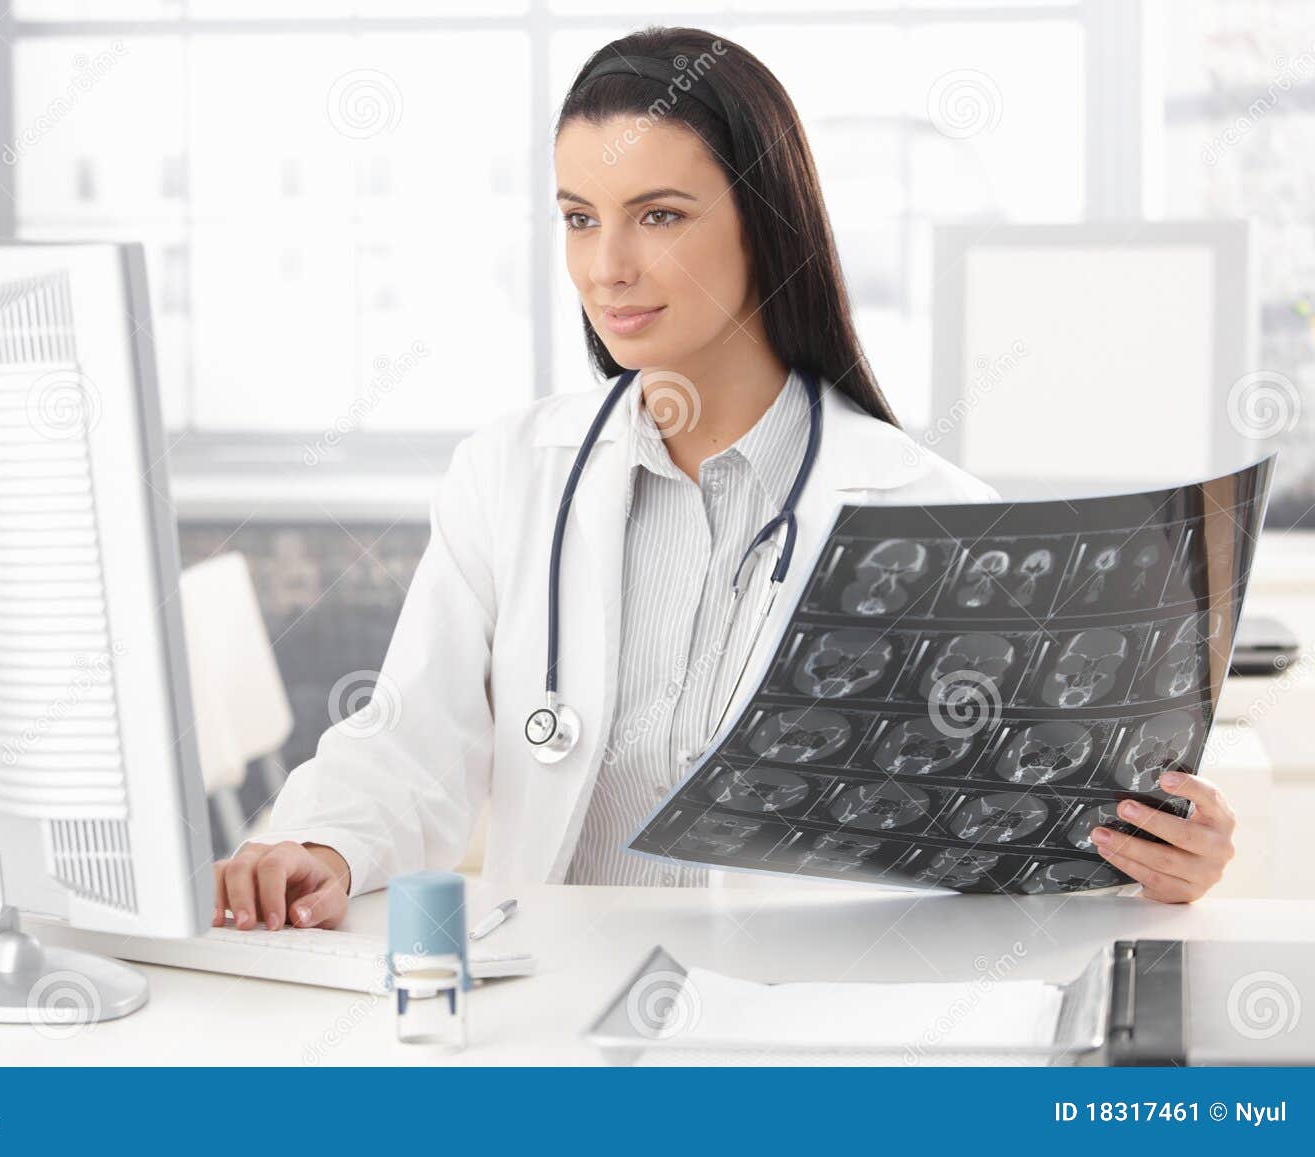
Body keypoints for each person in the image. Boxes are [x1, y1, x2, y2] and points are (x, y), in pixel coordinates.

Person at [212, 26, 1237, 931]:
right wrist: (325, 843)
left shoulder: (929, 513)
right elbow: (408, 743)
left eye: (656, 216)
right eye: (578, 217)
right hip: (552, 1021)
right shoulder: (510, 474)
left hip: (800, 1032)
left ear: (764, 222)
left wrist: (1159, 855)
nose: (605, 264)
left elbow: (1023, 824)